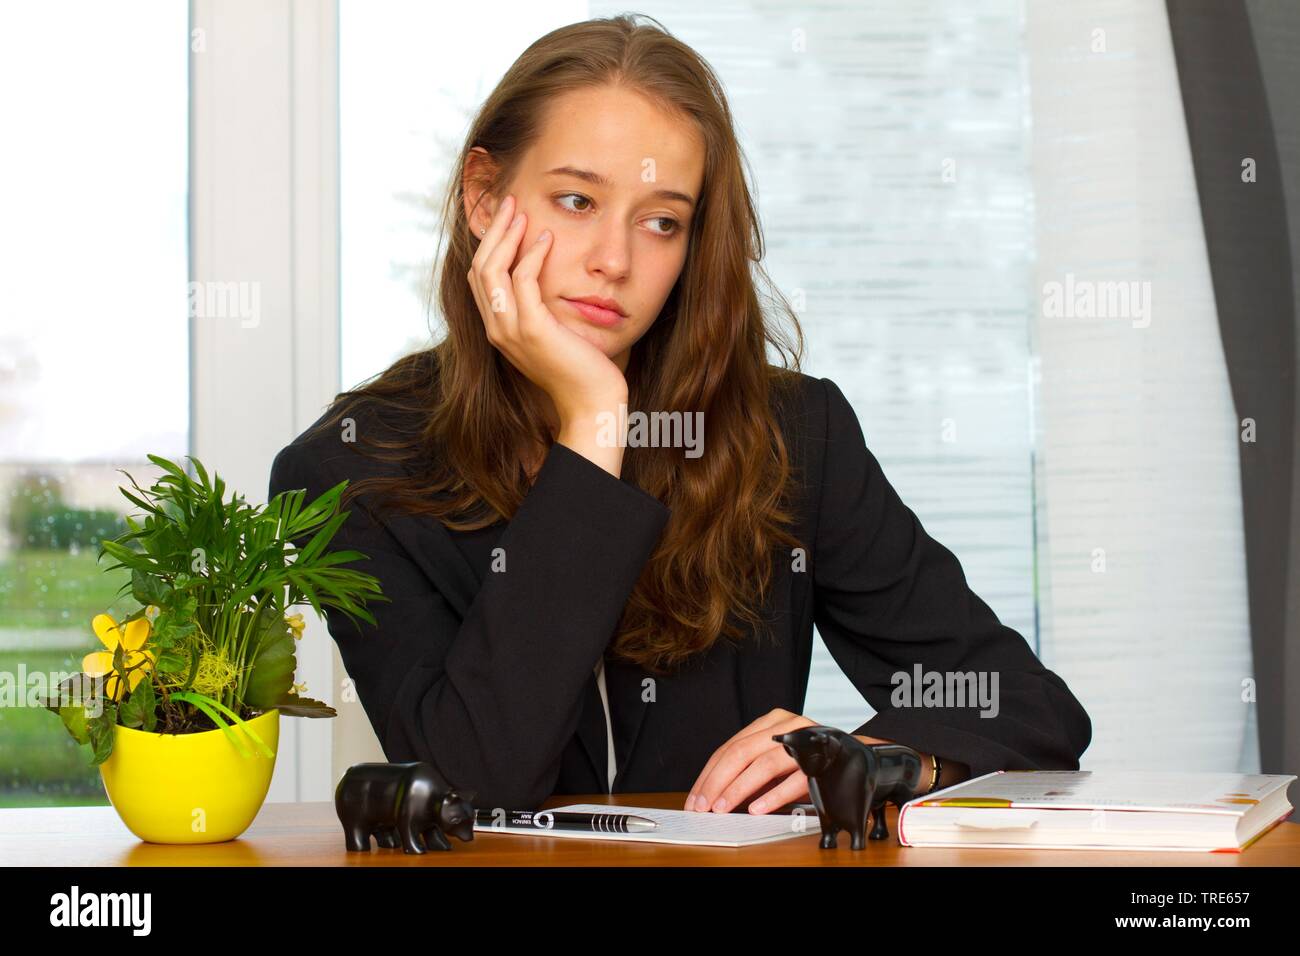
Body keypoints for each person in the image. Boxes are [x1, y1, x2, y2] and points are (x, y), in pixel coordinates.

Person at [267, 13, 1090, 815]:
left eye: (662, 221)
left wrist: (882, 761)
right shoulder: (346, 473)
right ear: (485, 200)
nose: (615, 261)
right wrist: (592, 419)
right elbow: (481, 778)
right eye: (576, 202)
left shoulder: (795, 434)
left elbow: (1026, 708)